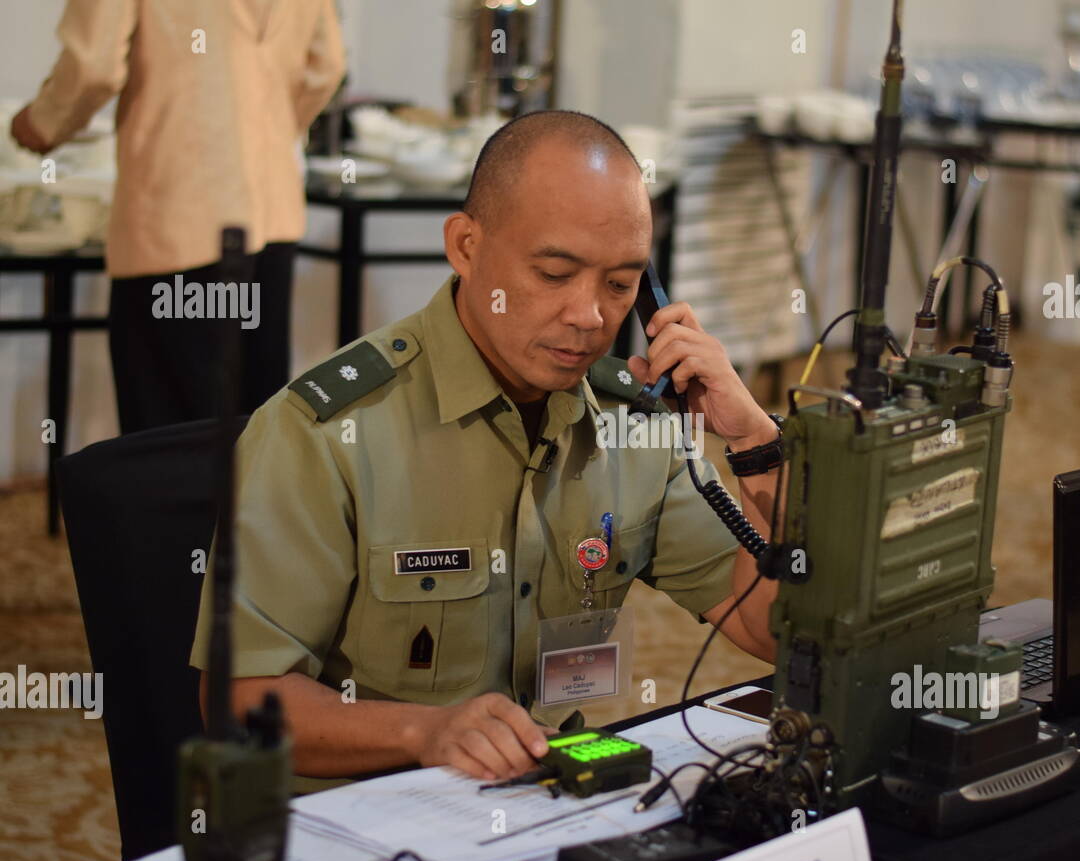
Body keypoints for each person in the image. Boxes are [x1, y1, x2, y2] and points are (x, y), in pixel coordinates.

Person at [189, 110, 783, 787]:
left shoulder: (635, 424)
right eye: (555, 273)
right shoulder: (330, 434)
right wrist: (426, 731)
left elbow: (769, 630)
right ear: (466, 246)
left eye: (620, 285)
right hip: (370, 822)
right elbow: (239, 705)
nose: (589, 317)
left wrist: (756, 443)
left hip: (544, 807)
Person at [10, 0, 345, 433]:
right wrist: (267, 134)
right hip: (271, 212)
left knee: (169, 435)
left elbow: (93, 65)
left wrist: (40, 125)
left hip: (179, 215)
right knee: (250, 424)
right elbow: (326, 67)